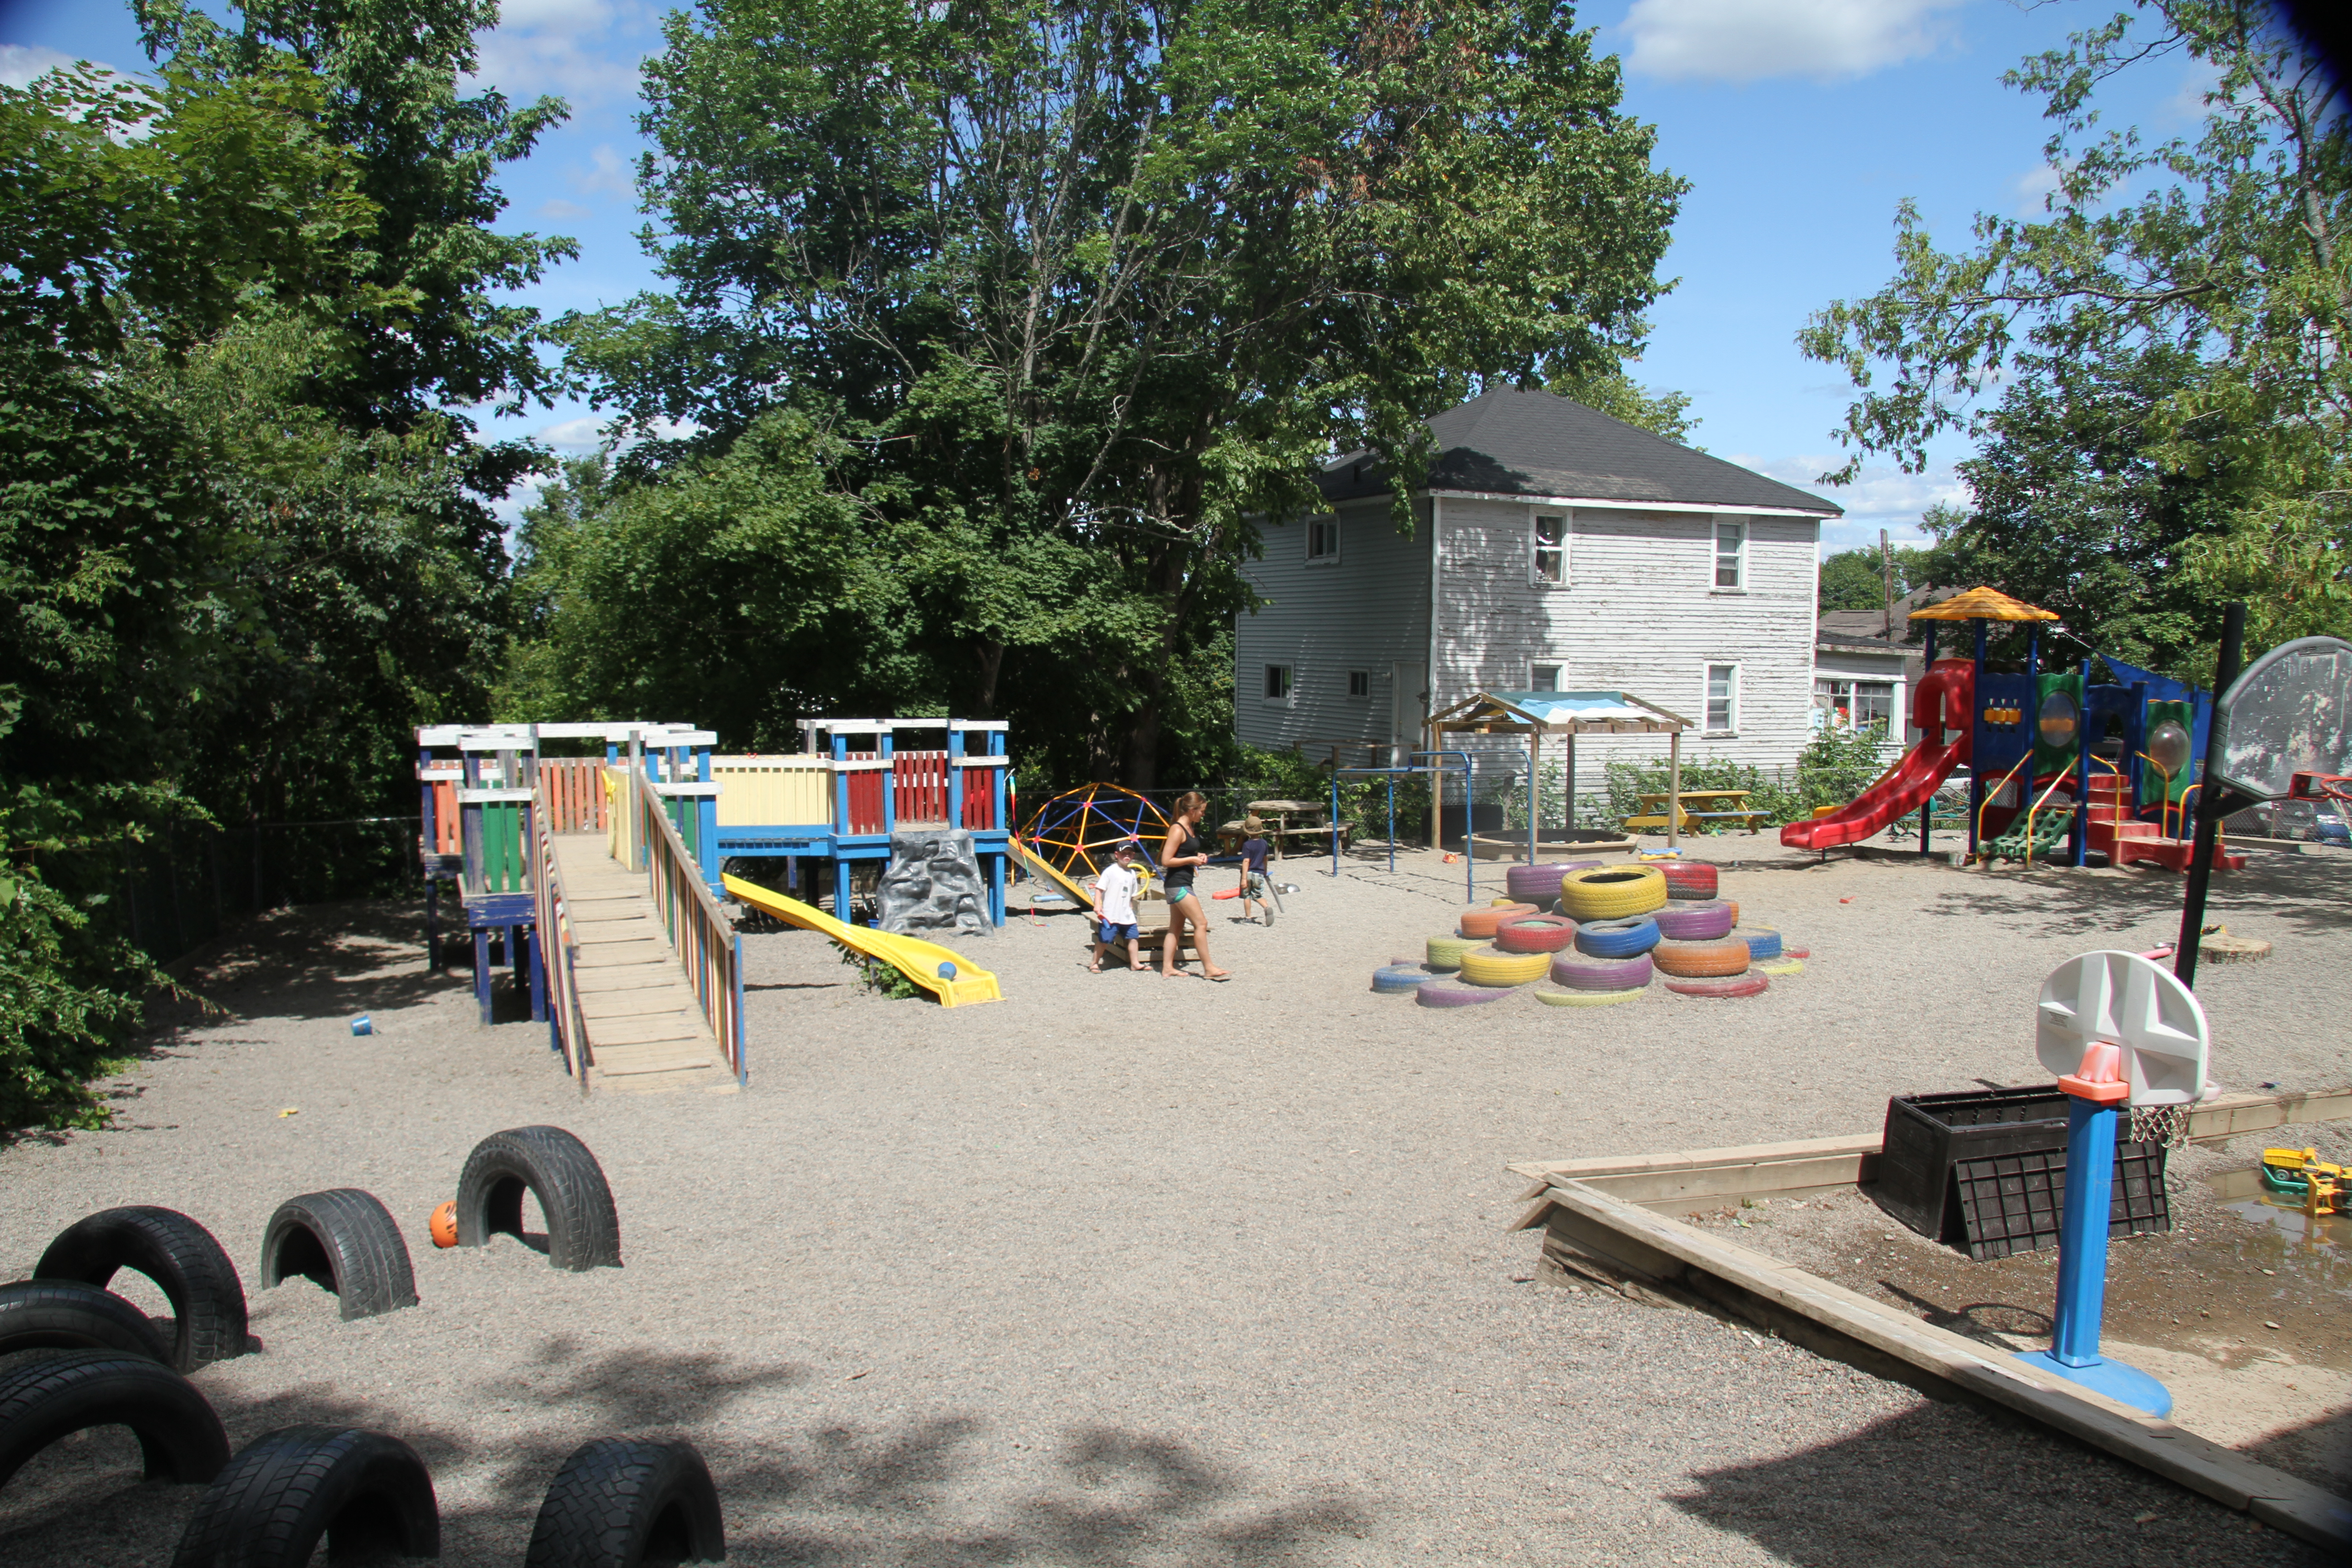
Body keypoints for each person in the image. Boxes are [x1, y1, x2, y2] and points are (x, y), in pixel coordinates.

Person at [1157, 792, 1230, 980]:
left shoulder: (1189, 827)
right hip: (1177, 884)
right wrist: (1191, 859)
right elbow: (1166, 860)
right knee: (1201, 923)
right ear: (1192, 810)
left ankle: (1167, 968)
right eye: (1202, 811)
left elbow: (1183, 853)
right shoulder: (1177, 829)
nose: (1203, 815)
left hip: (1183, 882)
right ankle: (1209, 968)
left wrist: (1199, 856)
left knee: (1176, 927)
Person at [1087, 840, 1144, 972]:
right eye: (1124, 853)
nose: (1127, 856)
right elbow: (1099, 889)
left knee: (1133, 937)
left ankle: (1135, 963)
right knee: (1105, 939)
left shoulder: (1132, 874)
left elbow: (1131, 893)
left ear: (1133, 855)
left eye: (1130, 854)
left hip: (1126, 914)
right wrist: (1097, 905)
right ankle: (1094, 963)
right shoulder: (1110, 871)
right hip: (1110, 914)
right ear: (1117, 855)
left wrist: (1130, 904)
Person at [1235, 815, 1273, 926]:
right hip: (1259, 873)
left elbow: (1246, 861)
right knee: (1258, 896)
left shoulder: (1247, 845)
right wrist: (1265, 871)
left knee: (1247, 896)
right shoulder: (1264, 843)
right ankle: (1267, 907)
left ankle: (1248, 918)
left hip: (1249, 874)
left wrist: (1244, 878)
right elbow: (1265, 859)